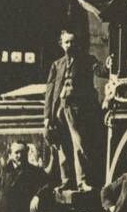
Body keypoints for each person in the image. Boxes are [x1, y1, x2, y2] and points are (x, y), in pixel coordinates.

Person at [44, 29, 104, 191]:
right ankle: (66, 180)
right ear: (61, 44)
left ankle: (82, 181)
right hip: (59, 109)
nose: (69, 45)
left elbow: (100, 70)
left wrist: (108, 66)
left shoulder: (86, 60)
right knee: (62, 147)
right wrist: (47, 117)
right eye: (66, 42)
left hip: (78, 109)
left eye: (72, 42)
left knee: (79, 144)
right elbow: (49, 92)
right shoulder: (57, 64)